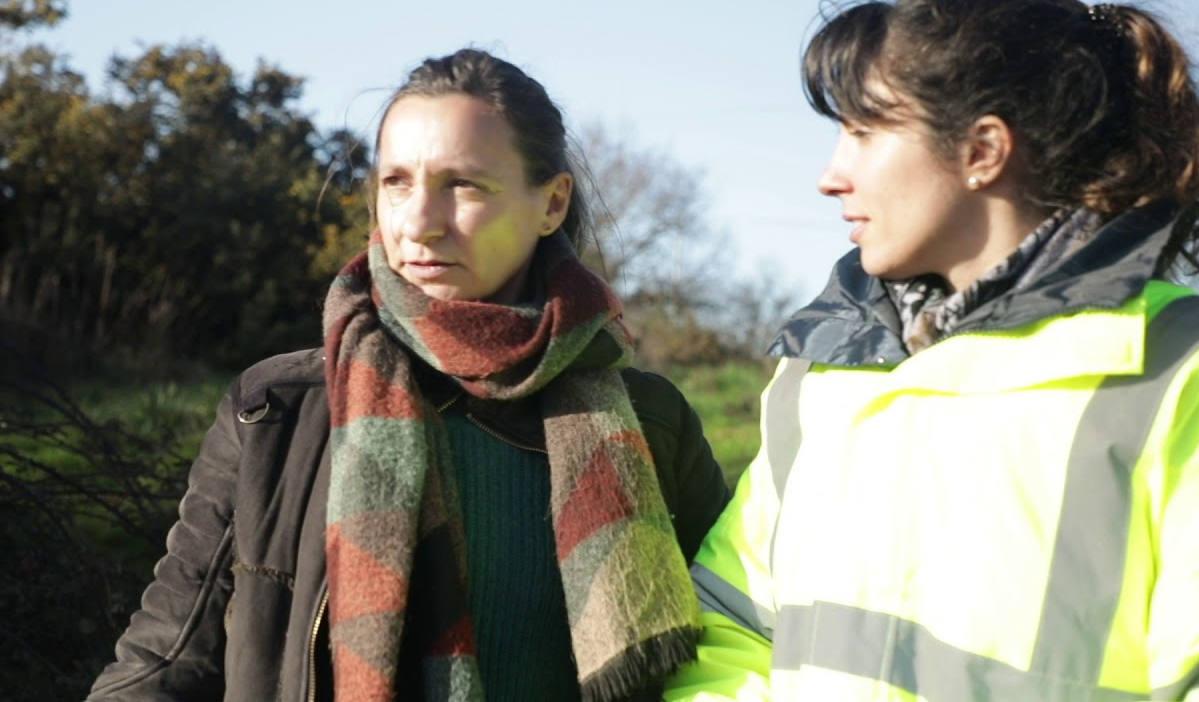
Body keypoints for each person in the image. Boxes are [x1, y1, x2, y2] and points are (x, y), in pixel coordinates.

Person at [665, 0, 1199, 700]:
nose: (830, 177)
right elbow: (734, 629)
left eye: (863, 132)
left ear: (981, 151)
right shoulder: (814, 376)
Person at [87, 48, 730, 702]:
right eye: (396, 181)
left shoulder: (652, 422)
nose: (419, 223)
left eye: (463, 184)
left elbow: (734, 650)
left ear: (552, 203)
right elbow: (166, 657)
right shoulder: (277, 410)